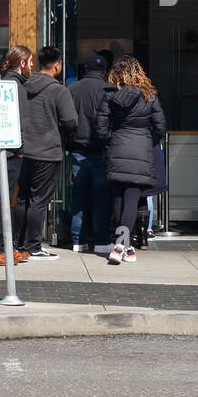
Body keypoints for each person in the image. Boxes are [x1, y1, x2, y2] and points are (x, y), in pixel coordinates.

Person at [95, 56, 167, 264]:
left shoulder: (110, 96)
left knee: (118, 199)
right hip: (141, 151)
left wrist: (112, 140)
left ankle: (125, 245)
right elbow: (160, 128)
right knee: (132, 200)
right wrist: (146, 140)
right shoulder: (150, 97)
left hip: (117, 148)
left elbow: (100, 129)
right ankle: (121, 245)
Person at [9, 46, 77, 262]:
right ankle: (34, 246)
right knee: (39, 201)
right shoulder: (59, 91)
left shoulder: (24, 85)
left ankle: (17, 243)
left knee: (22, 198)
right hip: (48, 152)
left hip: (23, 150)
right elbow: (71, 122)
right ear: (57, 66)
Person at [0, 46, 33, 267]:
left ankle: (4, 247)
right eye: (30, 62)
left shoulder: (3, 84)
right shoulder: (15, 87)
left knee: (3, 199)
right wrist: (20, 147)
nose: (32, 66)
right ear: (21, 64)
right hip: (8, 151)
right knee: (2, 200)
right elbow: (18, 121)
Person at [68, 53, 113, 253]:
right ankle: (101, 240)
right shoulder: (109, 89)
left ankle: (78, 240)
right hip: (101, 151)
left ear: (85, 70)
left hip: (77, 149)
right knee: (100, 198)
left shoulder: (72, 89)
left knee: (78, 198)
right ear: (104, 71)